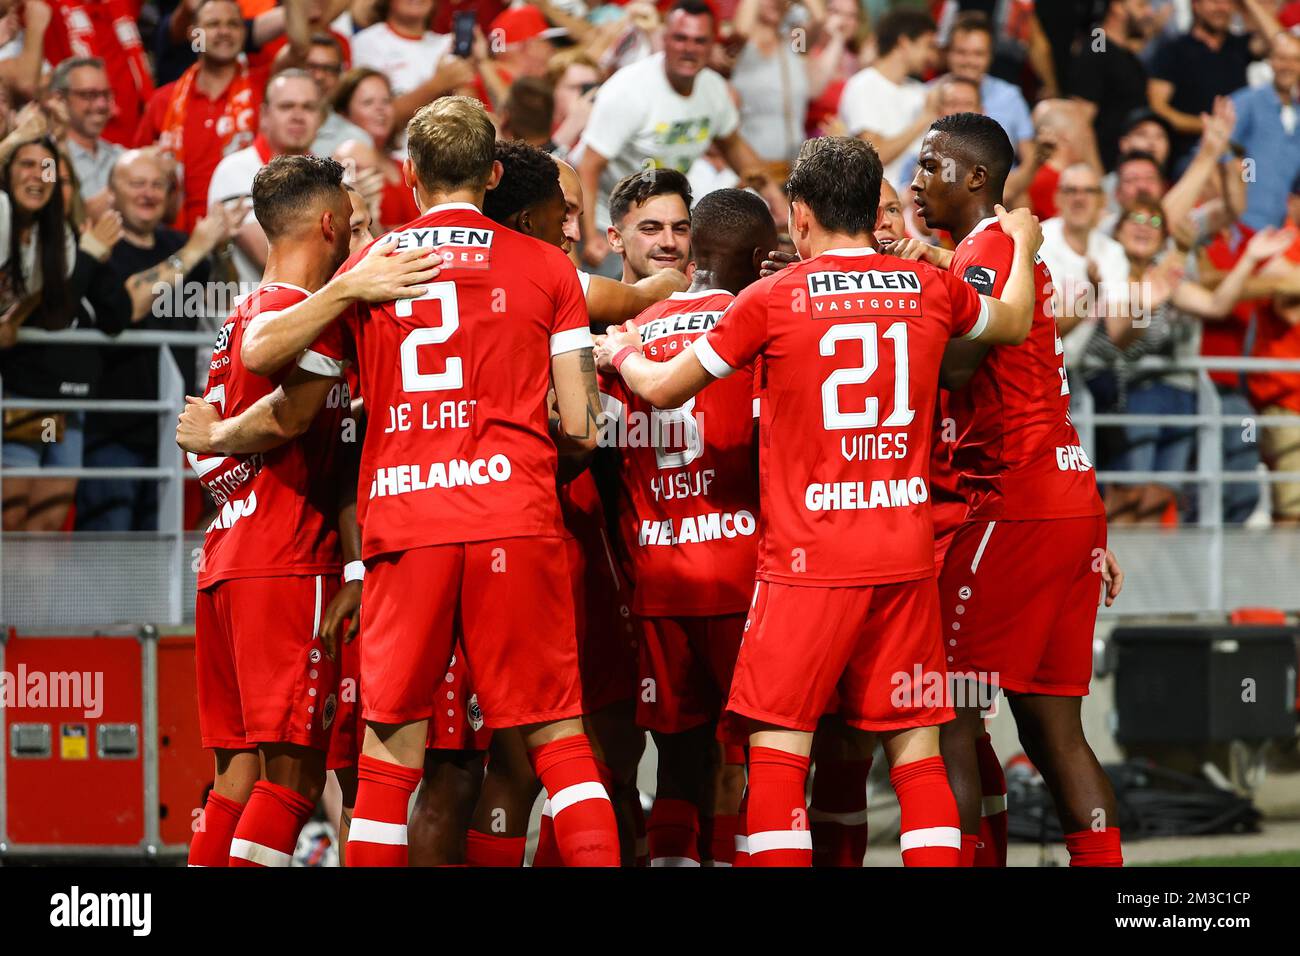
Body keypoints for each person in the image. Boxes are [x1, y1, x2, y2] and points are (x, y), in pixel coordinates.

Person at [177, 95, 621, 867]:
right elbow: (583, 426)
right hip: (513, 517)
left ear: (409, 176)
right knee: (557, 740)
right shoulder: (550, 267)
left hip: (405, 528)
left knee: (388, 756)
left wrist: (347, 290)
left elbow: (271, 379)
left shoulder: (370, 267)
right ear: (491, 172)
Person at [595, 135, 1045, 867]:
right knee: (916, 749)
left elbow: (662, 388)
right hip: (902, 558)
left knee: (776, 752)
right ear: (875, 209)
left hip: (805, 565)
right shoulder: (931, 289)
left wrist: (622, 353)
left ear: (799, 216)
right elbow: (1016, 320)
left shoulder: (773, 298)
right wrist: (1021, 241)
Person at [906, 111, 1123, 866]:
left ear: (975, 178)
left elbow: (961, 365)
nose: (915, 178)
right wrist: (920, 262)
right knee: (1052, 732)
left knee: (948, 719)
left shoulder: (991, 246)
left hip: (1016, 505)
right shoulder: (987, 248)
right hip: (1066, 502)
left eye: (930, 165)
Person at [177, 155, 364, 868]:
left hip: (226, 558)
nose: (357, 228)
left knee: (237, 776)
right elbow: (287, 420)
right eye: (350, 217)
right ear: (328, 222)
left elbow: (202, 445)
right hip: (287, 562)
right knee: (293, 780)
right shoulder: (304, 317)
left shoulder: (240, 317)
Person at [598, 187, 774, 867]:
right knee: (765, 757)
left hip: (658, 580)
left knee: (676, 762)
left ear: (692, 246)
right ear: (760, 258)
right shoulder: (752, 322)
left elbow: (604, 457)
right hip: (739, 576)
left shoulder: (631, 334)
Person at [77, 148, 239, 533]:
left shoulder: (178, 242)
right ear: (111, 193)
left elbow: (227, 299)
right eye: (136, 184)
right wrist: (196, 249)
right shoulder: (104, 246)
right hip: (112, 428)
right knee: (109, 547)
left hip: (170, 430)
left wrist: (222, 250)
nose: (148, 193)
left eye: (157, 185)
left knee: (160, 550)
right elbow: (126, 306)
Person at [577, 0, 774, 270]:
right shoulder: (628, 90)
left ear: (711, 45)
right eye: (681, 38)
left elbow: (734, 146)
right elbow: (587, 166)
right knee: (616, 306)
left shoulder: (713, 89)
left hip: (666, 221)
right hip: (608, 221)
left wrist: (777, 201)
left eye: (699, 40)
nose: (689, 49)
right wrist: (590, 237)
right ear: (665, 38)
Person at [0, 121, 124, 532]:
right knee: (10, 517)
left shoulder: (60, 240)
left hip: (56, 404)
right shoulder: (1, 210)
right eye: (27, 165)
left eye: (50, 171)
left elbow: (64, 314)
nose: (39, 177)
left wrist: (90, 256)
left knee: (46, 525)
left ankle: (31, 602)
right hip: (16, 391)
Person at [135, 0, 308, 231]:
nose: (224, 31)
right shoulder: (163, 101)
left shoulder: (266, 88)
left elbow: (300, 49)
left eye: (233, 24)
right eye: (213, 24)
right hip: (180, 238)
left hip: (251, 230)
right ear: (193, 35)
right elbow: (136, 168)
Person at [207, 69, 324, 287]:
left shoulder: (334, 174)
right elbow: (274, 259)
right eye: (286, 106)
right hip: (252, 314)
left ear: (321, 117)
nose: (298, 116)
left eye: (308, 107)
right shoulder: (236, 170)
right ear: (264, 116)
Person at [1147, 0, 1280, 168]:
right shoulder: (1173, 50)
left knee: (1260, 176)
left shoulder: (1238, 46)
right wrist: (1208, 126)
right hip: (1192, 152)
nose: (1221, 8)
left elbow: (1280, 43)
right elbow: (1159, 108)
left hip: (1239, 152)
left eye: (1228, 3)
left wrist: (1249, 2)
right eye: (1214, 2)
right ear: (1195, 5)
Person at [1036, 162, 1132, 369]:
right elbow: (1046, 333)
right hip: (1032, 367)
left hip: (1070, 373)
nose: (1079, 199)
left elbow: (1119, 337)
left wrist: (1144, 308)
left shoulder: (1112, 252)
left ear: (1102, 201)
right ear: (1057, 198)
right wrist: (1091, 297)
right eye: (1071, 190)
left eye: (1089, 191)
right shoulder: (1039, 242)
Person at [839, 8, 940, 193]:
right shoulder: (863, 85)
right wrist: (923, 120)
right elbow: (877, 154)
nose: (932, 56)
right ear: (904, 43)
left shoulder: (920, 91)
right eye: (928, 46)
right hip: (874, 199)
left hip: (916, 200)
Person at [349, 0, 472, 132]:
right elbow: (376, 116)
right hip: (393, 148)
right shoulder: (368, 42)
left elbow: (470, 116)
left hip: (443, 146)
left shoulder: (448, 44)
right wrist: (437, 85)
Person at [1069, 0, 1156, 171]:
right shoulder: (1097, 47)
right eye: (1141, 6)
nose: (1149, 13)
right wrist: (1097, 176)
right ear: (1117, 7)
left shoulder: (1127, 56)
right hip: (1106, 170)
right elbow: (1080, 121)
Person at [331, 67, 418, 231]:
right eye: (368, 102)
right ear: (345, 113)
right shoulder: (348, 158)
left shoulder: (403, 163)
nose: (380, 109)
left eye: (386, 101)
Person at [1230, 31, 1300, 232]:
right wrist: (1246, 179)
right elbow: (1223, 150)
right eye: (1281, 58)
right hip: (1239, 226)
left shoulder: (1297, 115)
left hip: (1275, 230)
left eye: (1295, 59)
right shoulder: (1248, 101)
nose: (1287, 66)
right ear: (1270, 61)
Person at [50, 56, 124, 220]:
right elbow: (55, 217)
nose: (101, 105)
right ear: (59, 99)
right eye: (89, 95)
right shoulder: (46, 159)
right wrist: (127, 186)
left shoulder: (120, 156)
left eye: (106, 94)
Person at [605, 167, 691, 284]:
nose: (669, 242)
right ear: (616, 239)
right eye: (650, 229)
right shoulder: (586, 301)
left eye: (680, 229)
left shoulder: (719, 301)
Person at [303, 33, 371, 157]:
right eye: (311, 67)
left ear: (340, 76)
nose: (319, 76)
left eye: (329, 69)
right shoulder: (275, 129)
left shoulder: (355, 140)